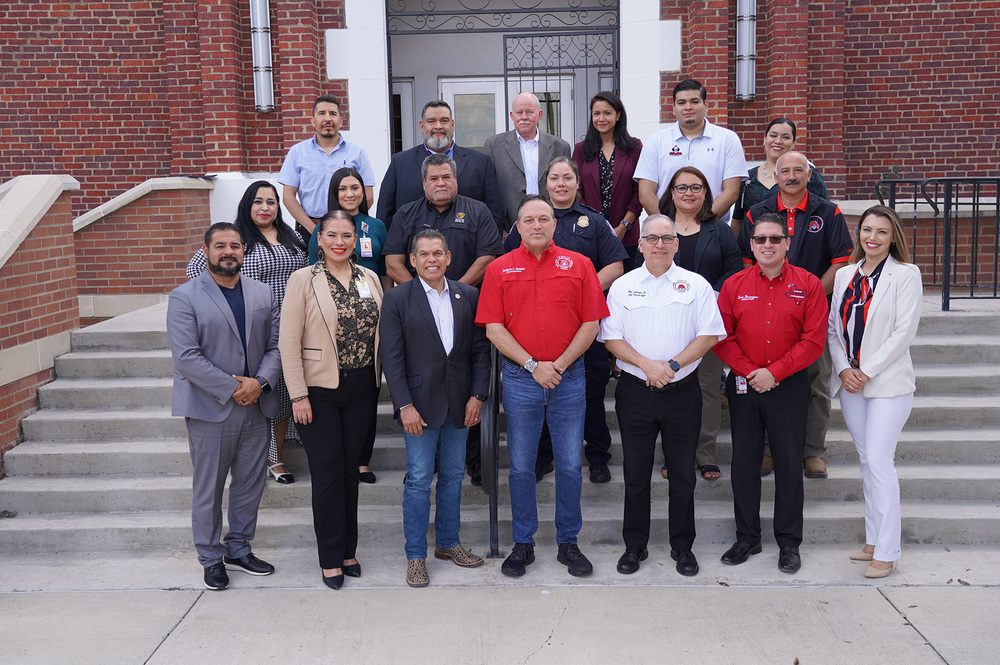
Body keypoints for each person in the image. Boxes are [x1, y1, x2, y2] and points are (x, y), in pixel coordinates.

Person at [477, 195, 610, 579]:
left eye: (543, 218)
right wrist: (534, 366)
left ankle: (569, 542)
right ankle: (524, 543)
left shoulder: (580, 265)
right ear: (517, 227)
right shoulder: (500, 269)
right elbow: (493, 328)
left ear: (555, 224)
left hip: (569, 379)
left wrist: (560, 366)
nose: (536, 225)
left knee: (569, 464)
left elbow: (591, 324)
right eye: (528, 220)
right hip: (521, 380)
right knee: (520, 466)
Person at [599, 214, 726, 577]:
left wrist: (669, 365)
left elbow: (709, 336)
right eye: (651, 238)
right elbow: (611, 338)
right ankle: (634, 546)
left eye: (666, 238)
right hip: (635, 393)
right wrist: (646, 365)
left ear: (676, 244)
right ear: (639, 244)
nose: (659, 245)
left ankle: (682, 546)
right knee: (636, 473)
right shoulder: (622, 286)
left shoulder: (696, 285)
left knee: (683, 473)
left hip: (682, 392)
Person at [167, 222, 281, 590]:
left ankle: (239, 548)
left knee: (249, 483)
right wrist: (234, 387)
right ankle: (211, 557)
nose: (228, 251)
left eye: (235, 245)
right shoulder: (184, 296)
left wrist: (261, 382)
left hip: (256, 405)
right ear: (207, 251)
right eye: (220, 245)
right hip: (210, 407)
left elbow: (277, 345)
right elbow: (186, 357)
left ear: (243, 252)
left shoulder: (263, 293)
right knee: (209, 487)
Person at [714, 213, 828, 574]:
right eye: (761, 239)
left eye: (775, 239)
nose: (767, 245)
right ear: (751, 244)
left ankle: (789, 542)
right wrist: (751, 371)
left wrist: (775, 372)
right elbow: (722, 337)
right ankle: (747, 536)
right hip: (744, 384)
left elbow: (813, 341)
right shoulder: (734, 285)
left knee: (790, 465)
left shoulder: (808, 285)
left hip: (789, 384)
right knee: (745, 464)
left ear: (787, 243)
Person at [279, 210, 384, 590]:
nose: (340, 242)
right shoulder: (303, 279)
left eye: (347, 235)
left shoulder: (369, 278)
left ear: (356, 240)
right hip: (318, 393)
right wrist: (298, 395)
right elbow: (288, 342)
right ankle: (329, 558)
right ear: (319, 240)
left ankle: (347, 551)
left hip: (361, 389)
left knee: (349, 474)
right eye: (332, 235)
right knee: (326, 476)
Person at [379, 229, 491, 587]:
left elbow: (479, 352)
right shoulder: (397, 299)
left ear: (448, 257)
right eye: (423, 254)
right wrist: (405, 406)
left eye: (437, 253)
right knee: (418, 482)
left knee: (454, 477)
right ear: (412, 260)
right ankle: (416, 556)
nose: (431, 260)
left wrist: (478, 396)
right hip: (419, 408)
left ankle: (448, 543)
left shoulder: (468, 295)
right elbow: (391, 359)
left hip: (460, 405)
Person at [383, 153, 503, 486]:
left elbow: (489, 256)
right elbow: (394, 261)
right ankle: (427, 465)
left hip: (467, 309)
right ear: (423, 182)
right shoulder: (406, 213)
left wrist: (454, 292)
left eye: (446, 177)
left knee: (465, 389)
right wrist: (420, 298)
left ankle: (474, 464)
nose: (440, 183)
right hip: (417, 319)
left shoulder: (477, 210)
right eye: (434, 178)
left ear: (456, 178)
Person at [504, 157, 626, 484]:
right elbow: (506, 266)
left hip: (586, 327)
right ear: (546, 184)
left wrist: (580, 291)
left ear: (576, 183)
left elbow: (616, 266)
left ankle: (598, 455)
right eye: (555, 178)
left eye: (567, 178)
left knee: (591, 396)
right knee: (542, 397)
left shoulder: (594, 222)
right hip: (539, 333)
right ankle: (545, 457)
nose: (561, 184)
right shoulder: (529, 222)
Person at [740, 150, 853, 479]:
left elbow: (840, 262)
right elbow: (748, 264)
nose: (790, 175)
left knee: (816, 382)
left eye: (798, 170)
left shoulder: (828, 212)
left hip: (815, 312)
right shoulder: (757, 213)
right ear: (774, 176)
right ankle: (765, 450)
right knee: (764, 377)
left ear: (808, 175)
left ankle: (813, 451)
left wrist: (810, 294)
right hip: (764, 311)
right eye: (784, 170)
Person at [186, 181, 306, 485]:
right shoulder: (236, 238)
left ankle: (275, 454)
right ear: (247, 205)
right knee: (259, 390)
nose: (265, 207)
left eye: (271, 201)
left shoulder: (291, 237)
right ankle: (256, 456)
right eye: (258, 201)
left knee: (282, 391)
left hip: (293, 323)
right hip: (253, 322)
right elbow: (195, 271)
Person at [828, 205, 922, 578]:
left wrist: (864, 371)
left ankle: (888, 550)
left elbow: (903, 334)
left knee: (881, 461)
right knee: (867, 460)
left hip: (887, 384)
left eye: (882, 231)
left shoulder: (906, 275)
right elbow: (834, 330)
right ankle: (872, 538)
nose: (873, 237)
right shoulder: (845, 275)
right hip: (851, 382)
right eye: (867, 229)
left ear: (893, 236)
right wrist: (843, 369)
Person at [304, 166, 390, 484]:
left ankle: (362, 460)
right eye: (343, 189)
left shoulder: (377, 226)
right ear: (334, 194)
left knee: (367, 385)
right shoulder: (324, 228)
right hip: (334, 311)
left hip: (370, 305)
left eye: (355, 188)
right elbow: (314, 269)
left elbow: (383, 270)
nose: (350, 194)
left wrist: (387, 305)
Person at [657, 167, 742, 481]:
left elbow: (733, 270)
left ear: (706, 192)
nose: (688, 193)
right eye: (682, 188)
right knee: (671, 389)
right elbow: (644, 267)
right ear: (672, 192)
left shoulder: (718, 230)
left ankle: (704, 452)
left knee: (707, 388)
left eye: (696, 187)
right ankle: (674, 453)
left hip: (707, 322)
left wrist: (708, 297)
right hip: (666, 321)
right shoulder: (659, 228)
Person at [377, 100, 502, 232]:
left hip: (468, 249)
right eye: (431, 121)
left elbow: (494, 215)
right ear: (422, 126)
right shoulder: (400, 163)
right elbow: (385, 215)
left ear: (452, 124)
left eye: (444, 121)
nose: (438, 126)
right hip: (413, 249)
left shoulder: (481, 163)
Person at [634, 79, 747, 223]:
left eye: (694, 101)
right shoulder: (655, 141)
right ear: (673, 107)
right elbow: (645, 194)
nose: (688, 107)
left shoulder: (727, 139)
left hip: (712, 229)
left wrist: (701, 224)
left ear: (706, 105)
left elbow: (731, 192)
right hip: (667, 234)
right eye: (681, 103)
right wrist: (670, 226)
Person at [278, 95, 376, 244]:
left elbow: (368, 196)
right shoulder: (297, 152)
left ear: (341, 121)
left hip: (347, 231)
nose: (328, 119)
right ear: (312, 120)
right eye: (322, 113)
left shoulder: (357, 153)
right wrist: (313, 229)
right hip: (308, 229)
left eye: (333, 114)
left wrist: (342, 224)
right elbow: (288, 197)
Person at [573, 91, 643, 271]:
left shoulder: (634, 148)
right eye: (596, 114)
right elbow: (577, 191)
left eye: (607, 113)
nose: (601, 118)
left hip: (625, 235)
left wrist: (624, 226)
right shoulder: (581, 149)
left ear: (618, 115)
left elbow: (639, 192)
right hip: (590, 233)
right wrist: (596, 225)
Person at [483, 92, 571, 235]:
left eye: (530, 112)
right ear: (512, 115)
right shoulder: (494, 145)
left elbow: (566, 190)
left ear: (540, 114)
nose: (524, 117)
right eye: (519, 112)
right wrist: (499, 230)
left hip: (551, 227)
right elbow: (489, 193)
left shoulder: (560, 147)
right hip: (509, 228)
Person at [731, 118, 829, 238]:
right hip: (755, 250)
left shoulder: (809, 175)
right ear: (764, 139)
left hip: (799, 248)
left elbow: (825, 215)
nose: (778, 141)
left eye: (786, 137)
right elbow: (738, 221)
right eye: (773, 135)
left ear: (794, 143)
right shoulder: (747, 178)